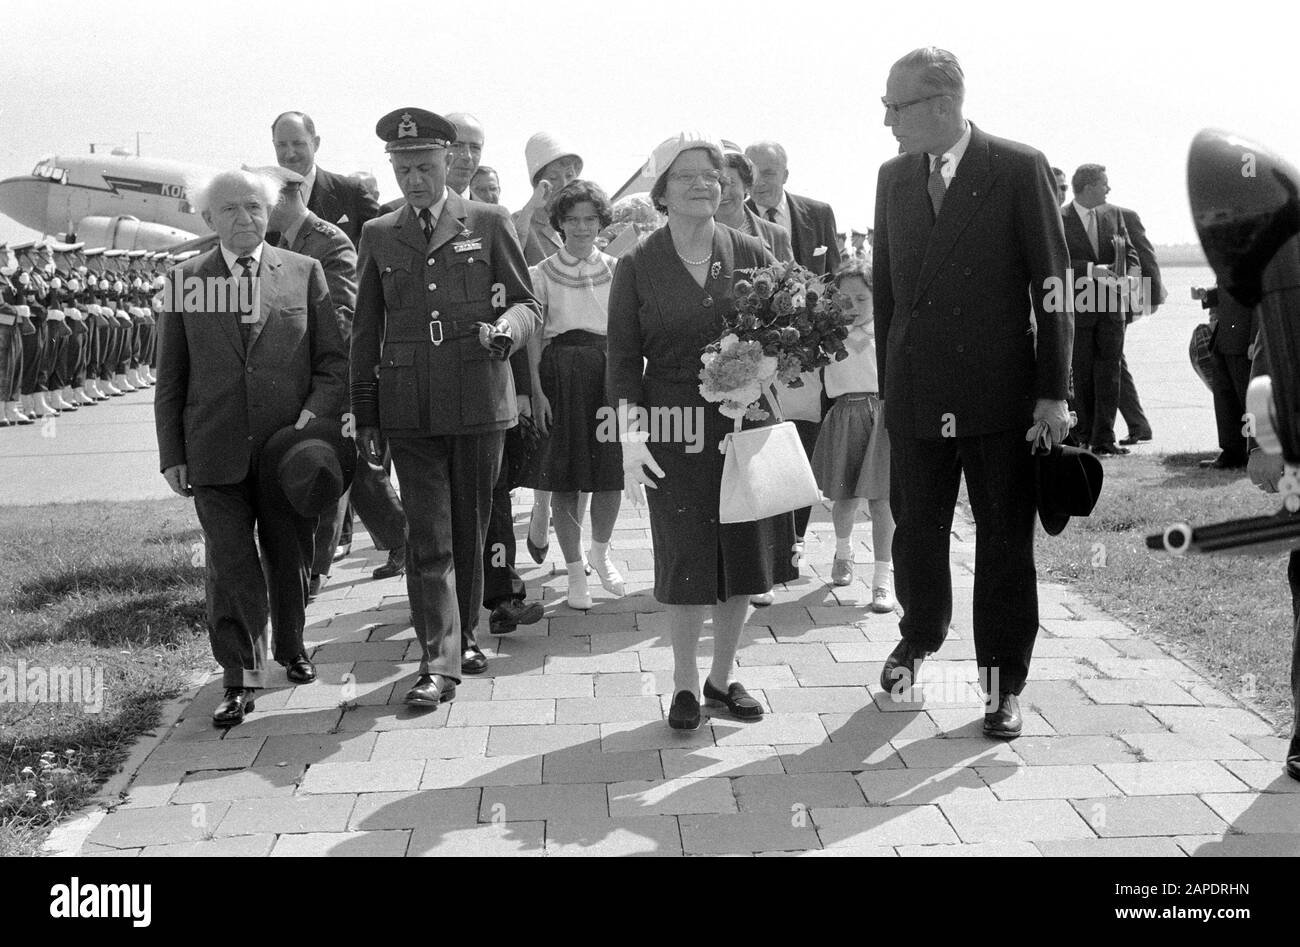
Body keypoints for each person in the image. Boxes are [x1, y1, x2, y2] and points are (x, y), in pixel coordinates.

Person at [874, 47, 1072, 739]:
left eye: (895, 107)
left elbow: (1054, 289)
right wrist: (885, 387)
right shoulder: (893, 178)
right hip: (917, 393)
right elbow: (888, 295)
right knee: (917, 533)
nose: (887, 121)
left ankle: (1001, 682)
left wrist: (1054, 392)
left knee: (1004, 542)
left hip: (1000, 396)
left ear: (941, 104)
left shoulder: (1017, 168)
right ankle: (919, 634)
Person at [350, 107, 540, 704]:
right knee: (429, 533)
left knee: (470, 527)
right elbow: (365, 330)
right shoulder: (379, 234)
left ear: (448, 163)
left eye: (425, 166)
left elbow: (528, 303)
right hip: (409, 407)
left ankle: (466, 636)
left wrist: (505, 328)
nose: (415, 179)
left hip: (479, 396)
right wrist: (367, 413)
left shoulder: (487, 221)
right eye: (403, 169)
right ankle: (440, 661)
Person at [608, 132, 796, 731]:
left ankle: (723, 676)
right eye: (687, 175)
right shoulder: (637, 264)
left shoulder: (750, 251)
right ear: (661, 190)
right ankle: (685, 683)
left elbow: (789, 333)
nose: (702, 184)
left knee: (744, 553)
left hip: (745, 423)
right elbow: (620, 360)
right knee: (685, 555)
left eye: (712, 176)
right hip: (673, 427)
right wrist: (629, 440)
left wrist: (764, 369)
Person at [154, 168, 348, 726]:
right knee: (231, 563)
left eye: (255, 208)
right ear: (208, 218)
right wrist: (173, 452)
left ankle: (290, 647)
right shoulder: (186, 279)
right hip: (212, 449)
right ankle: (241, 675)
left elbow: (331, 360)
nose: (245, 218)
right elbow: (171, 375)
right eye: (231, 210)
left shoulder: (304, 272)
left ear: (271, 213)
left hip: (283, 452)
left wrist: (313, 417)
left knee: (290, 555)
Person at [258, 164, 410, 598]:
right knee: (356, 467)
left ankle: (313, 570)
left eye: (264, 204)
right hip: (307, 374)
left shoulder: (328, 241)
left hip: (334, 372)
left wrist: (330, 379)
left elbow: (344, 315)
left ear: (286, 198)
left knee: (326, 464)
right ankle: (403, 540)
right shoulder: (280, 242)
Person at [744, 139, 840, 597]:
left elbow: (835, 282)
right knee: (763, 450)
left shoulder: (817, 213)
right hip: (754, 360)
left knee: (802, 448)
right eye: (752, 171)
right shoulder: (733, 217)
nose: (760, 180)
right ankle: (763, 553)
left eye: (768, 171)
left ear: (786, 173)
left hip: (806, 359)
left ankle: (795, 541)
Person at [526, 179, 624, 610]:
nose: (582, 228)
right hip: (561, 375)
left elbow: (628, 333)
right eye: (572, 219)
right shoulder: (542, 273)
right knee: (565, 479)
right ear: (560, 223)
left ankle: (600, 551)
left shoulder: (620, 269)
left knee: (610, 473)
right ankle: (574, 570)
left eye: (590, 219)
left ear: (601, 222)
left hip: (608, 374)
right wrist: (535, 391)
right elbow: (533, 338)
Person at [512, 132, 585, 563]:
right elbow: (512, 253)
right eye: (554, 175)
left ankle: (573, 538)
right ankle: (540, 511)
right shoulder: (524, 219)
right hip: (540, 348)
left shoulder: (584, 218)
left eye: (571, 172)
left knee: (584, 452)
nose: (564, 181)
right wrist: (531, 207)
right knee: (550, 441)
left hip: (584, 347)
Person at [810, 261, 895, 609]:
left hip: (882, 418)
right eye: (845, 300)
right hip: (845, 416)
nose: (853, 308)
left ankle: (881, 578)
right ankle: (843, 553)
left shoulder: (888, 333)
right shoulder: (826, 335)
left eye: (862, 299)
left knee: (882, 502)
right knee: (844, 498)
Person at [1062, 164, 1141, 455]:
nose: (1108, 189)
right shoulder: (1060, 217)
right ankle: (1083, 437)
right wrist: (1091, 270)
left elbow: (1129, 251)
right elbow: (1058, 262)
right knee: (1081, 375)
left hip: (1111, 309)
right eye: (1103, 184)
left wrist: (1132, 274)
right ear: (1086, 186)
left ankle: (1104, 440)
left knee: (1111, 373)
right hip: (1079, 309)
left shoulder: (1113, 215)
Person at [272, 110, 381, 248]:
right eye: (281, 145)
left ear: (316, 143)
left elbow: (386, 234)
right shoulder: (265, 197)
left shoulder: (349, 191)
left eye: (298, 143)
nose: (290, 153)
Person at [1114, 203, 1166, 446]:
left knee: (1113, 361)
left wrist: (1153, 296)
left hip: (1110, 303)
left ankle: (1138, 425)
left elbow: (1146, 255)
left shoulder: (1123, 215)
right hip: (1080, 302)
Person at [1203, 286, 1256, 469]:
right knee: (1225, 398)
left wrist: (1254, 338)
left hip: (1243, 337)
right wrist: (1208, 295)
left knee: (1248, 400)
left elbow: (1262, 299)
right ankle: (1232, 451)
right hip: (1225, 334)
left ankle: (1255, 452)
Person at [714, 147, 793, 263]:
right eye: (718, 183)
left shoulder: (777, 235)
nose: (724, 192)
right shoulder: (692, 232)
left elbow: (791, 278)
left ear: (746, 186)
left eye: (731, 183)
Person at [444, 112, 485, 200]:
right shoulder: (412, 210)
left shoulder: (490, 213)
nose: (467, 156)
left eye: (475, 148)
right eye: (457, 146)